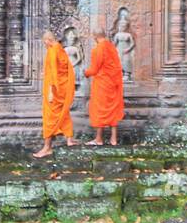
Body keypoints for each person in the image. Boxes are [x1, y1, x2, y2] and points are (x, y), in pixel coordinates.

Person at [34, 30, 77, 158]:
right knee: (64, 112)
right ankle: (69, 140)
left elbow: (54, 72)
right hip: (63, 88)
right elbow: (64, 69)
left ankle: (47, 147)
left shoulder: (53, 51)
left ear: (48, 40)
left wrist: (51, 91)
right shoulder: (60, 49)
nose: (45, 44)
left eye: (44, 42)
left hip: (55, 90)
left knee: (49, 117)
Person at [84, 28, 125, 145]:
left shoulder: (98, 49)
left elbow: (94, 69)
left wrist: (86, 73)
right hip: (114, 83)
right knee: (113, 109)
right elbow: (117, 66)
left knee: (99, 109)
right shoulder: (112, 47)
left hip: (102, 83)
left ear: (95, 37)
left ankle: (98, 139)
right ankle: (113, 139)